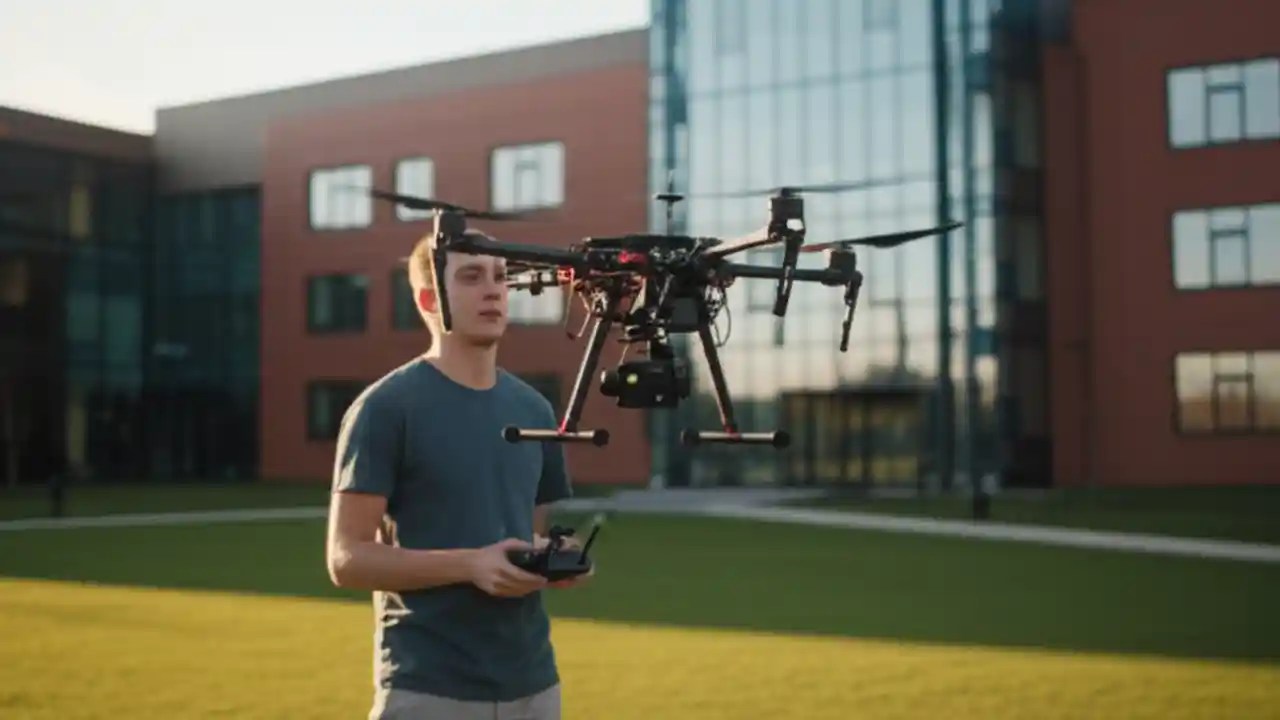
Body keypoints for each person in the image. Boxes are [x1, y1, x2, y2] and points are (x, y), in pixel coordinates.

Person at [325, 229, 589, 720]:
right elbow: (346, 558)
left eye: (500, 277)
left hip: (534, 686)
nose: (493, 290)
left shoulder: (535, 408)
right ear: (429, 299)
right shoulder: (385, 408)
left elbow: (524, 534)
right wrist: (471, 564)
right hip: (429, 690)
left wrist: (553, 560)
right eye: (471, 277)